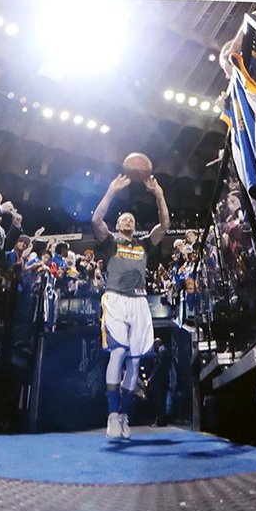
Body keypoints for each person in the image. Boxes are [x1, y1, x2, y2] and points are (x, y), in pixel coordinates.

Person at [92, 168, 169, 441]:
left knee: (135, 363)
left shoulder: (143, 244)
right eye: (124, 217)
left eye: (132, 218)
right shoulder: (111, 242)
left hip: (139, 301)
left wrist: (158, 195)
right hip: (114, 298)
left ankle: (124, 414)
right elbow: (96, 218)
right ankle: (112, 415)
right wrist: (112, 190)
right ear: (118, 224)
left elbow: (165, 226)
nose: (128, 219)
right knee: (118, 353)